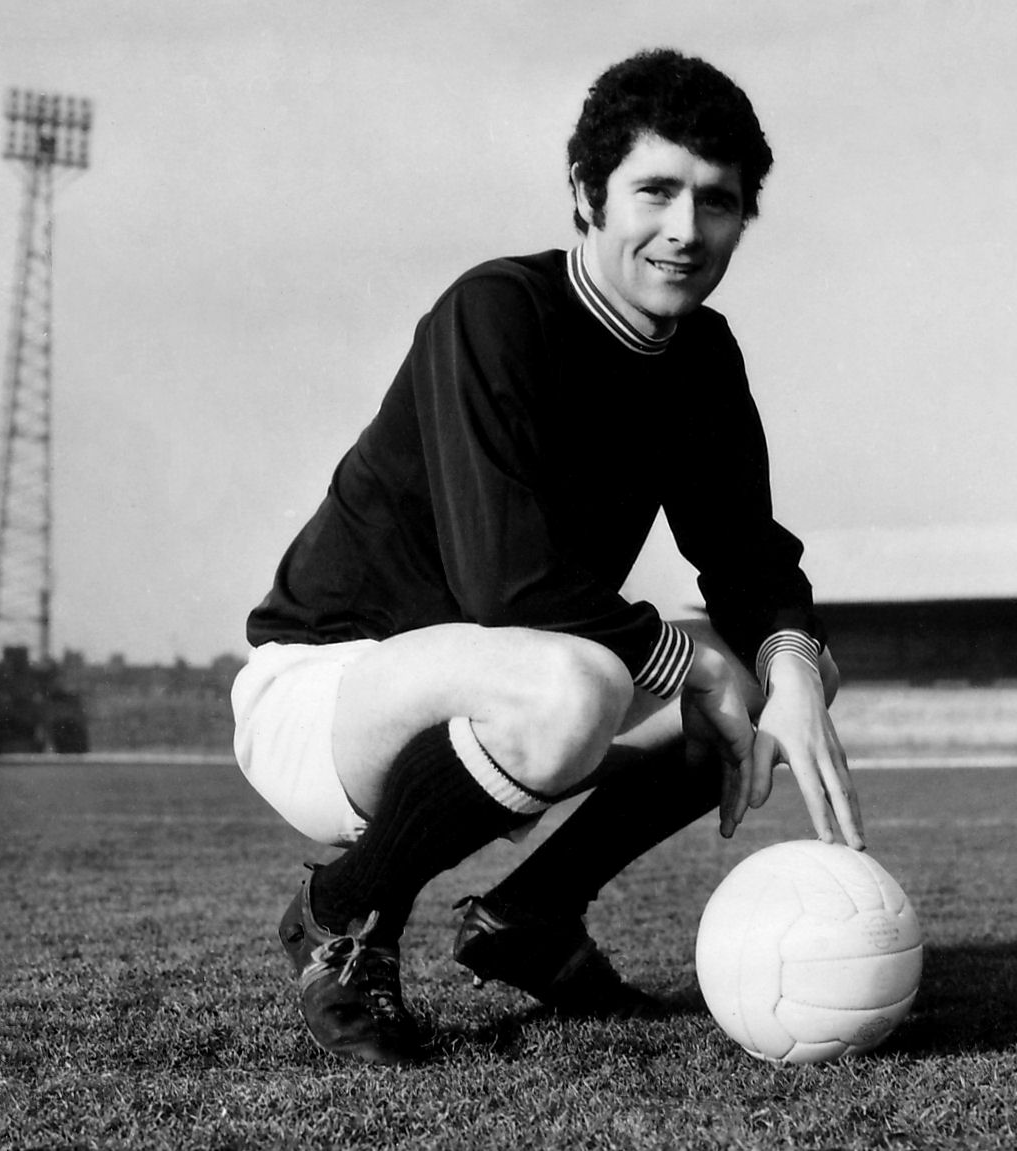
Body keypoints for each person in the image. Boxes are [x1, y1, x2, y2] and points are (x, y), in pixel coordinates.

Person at [231, 47, 864, 1066]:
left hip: (501, 677)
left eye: (718, 201)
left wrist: (791, 672)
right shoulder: (498, 312)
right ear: (585, 193)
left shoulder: (702, 359)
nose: (685, 230)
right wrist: (693, 660)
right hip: (329, 682)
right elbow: (507, 580)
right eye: (655, 190)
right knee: (579, 678)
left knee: (757, 678)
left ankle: (529, 914)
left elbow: (747, 562)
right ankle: (341, 915)